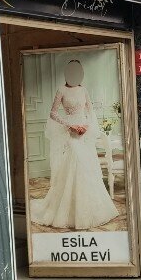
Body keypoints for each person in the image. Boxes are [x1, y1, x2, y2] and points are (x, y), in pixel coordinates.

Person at [30, 60, 118, 229]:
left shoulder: (83, 90)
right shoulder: (61, 90)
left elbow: (90, 111)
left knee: (88, 170)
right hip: (71, 132)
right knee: (74, 166)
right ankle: (69, 212)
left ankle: (92, 210)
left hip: (84, 132)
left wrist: (86, 126)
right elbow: (53, 113)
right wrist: (69, 125)